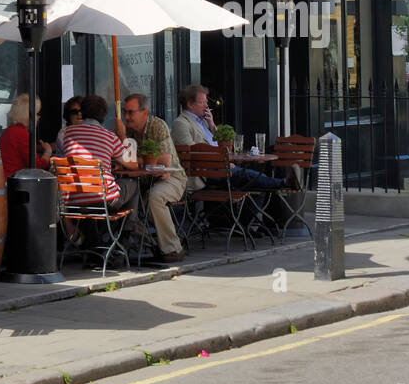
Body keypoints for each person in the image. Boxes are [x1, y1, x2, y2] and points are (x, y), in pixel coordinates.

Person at [172, 84, 284, 193]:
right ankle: (284, 183)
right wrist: (220, 163)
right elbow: (193, 154)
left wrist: (212, 125)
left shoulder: (204, 121)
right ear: (190, 104)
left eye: (206, 102)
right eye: (202, 102)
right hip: (205, 174)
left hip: (220, 168)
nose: (207, 106)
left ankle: (281, 186)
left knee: (256, 185)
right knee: (253, 179)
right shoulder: (181, 123)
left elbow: (219, 142)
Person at [122, 92, 188, 263]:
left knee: (155, 197)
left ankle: (173, 249)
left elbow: (165, 160)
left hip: (172, 177)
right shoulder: (126, 129)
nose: (126, 117)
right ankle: (141, 242)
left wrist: (137, 160)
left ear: (144, 112)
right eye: (125, 112)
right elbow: (124, 159)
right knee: (123, 194)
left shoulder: (157, 125)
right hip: (141, 180)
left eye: (131, 112)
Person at [61, 94, 137, 214]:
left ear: (83, 112)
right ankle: (130, 227)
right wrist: (122, 135)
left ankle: (95, 232)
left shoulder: (68, 133)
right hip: (103, 200)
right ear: (103, 115)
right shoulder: (109, 137)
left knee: (89, 201)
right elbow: (133, 164)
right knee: (133, 183)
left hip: (72, 200)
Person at [0, 94, 51, 178]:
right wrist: (47, 153)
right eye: (37, 113)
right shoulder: (21, 134)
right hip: (16, 182)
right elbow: (36, 166)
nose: (39, 117)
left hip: (7, 179)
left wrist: (38, 148)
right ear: (28, 116)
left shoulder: (9, 131)